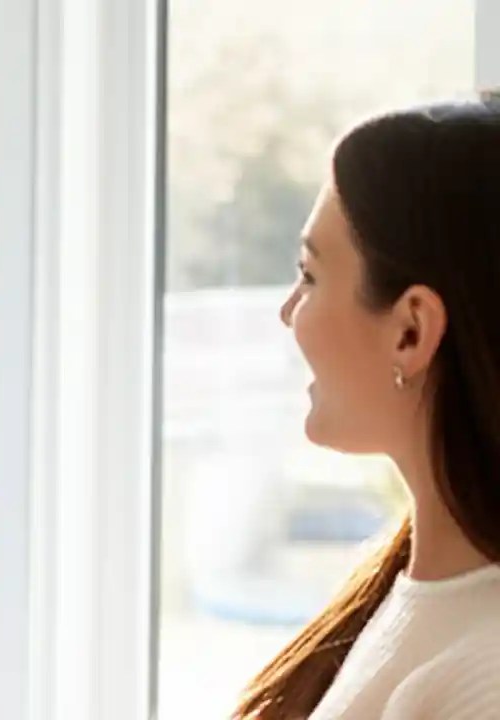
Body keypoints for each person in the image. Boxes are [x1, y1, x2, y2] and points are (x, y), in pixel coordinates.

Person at [234, 97, 500, 719]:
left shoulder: (483, 678)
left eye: (309, 275)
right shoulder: (403, 593)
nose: (288, 311)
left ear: (411, 330)